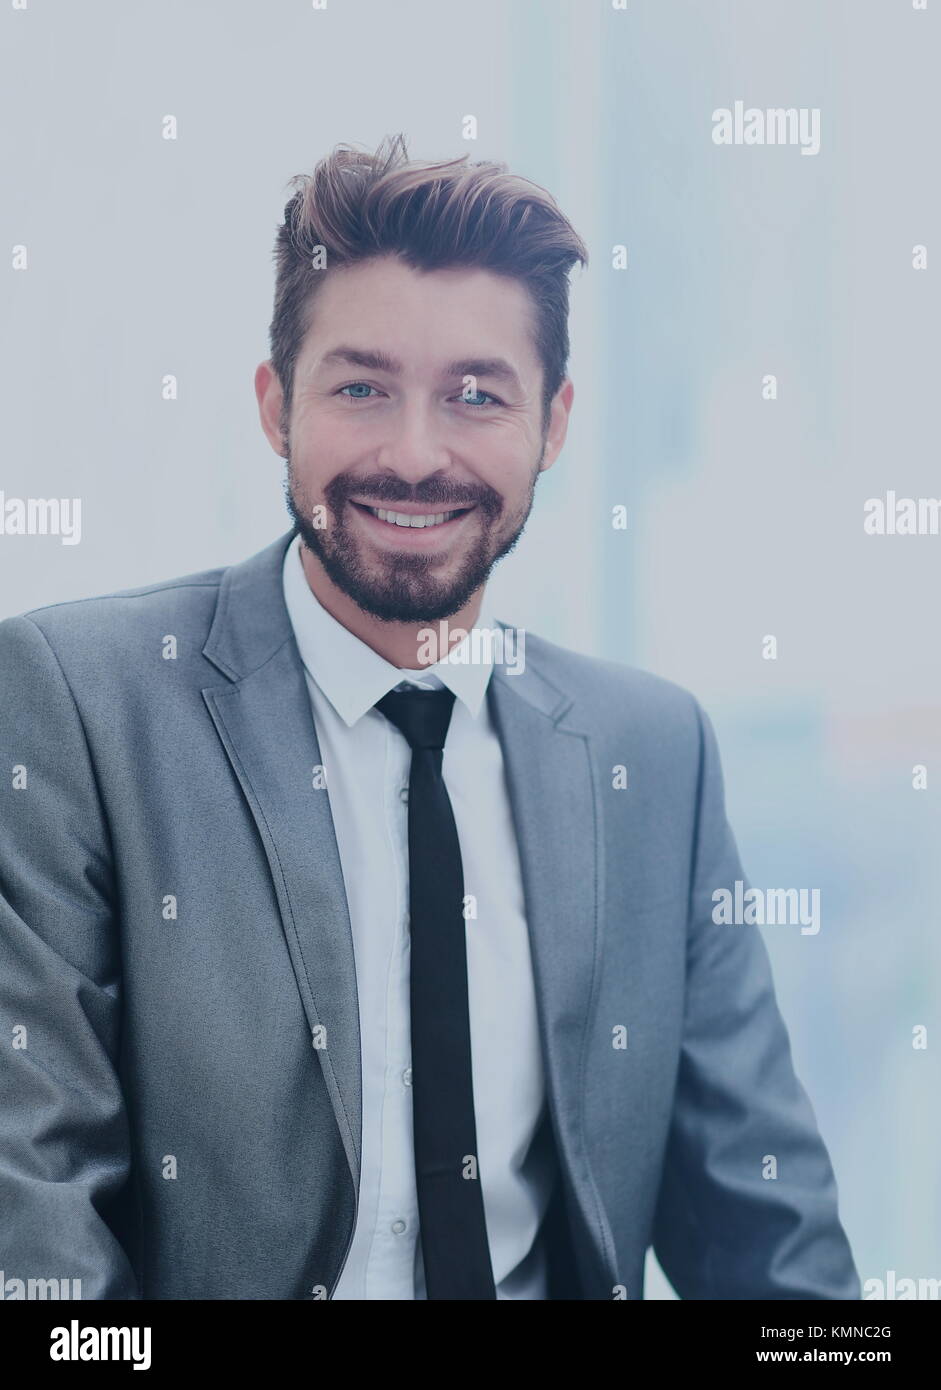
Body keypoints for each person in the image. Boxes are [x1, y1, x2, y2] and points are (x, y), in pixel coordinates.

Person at [0, 134, 859, 1300]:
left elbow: (769, 1243)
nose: (414, 454)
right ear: (274, 408)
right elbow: (40, 1244)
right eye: (359, 387)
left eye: (474, 395)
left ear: (551, 423)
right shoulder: (77, 703)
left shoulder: (649, 751)